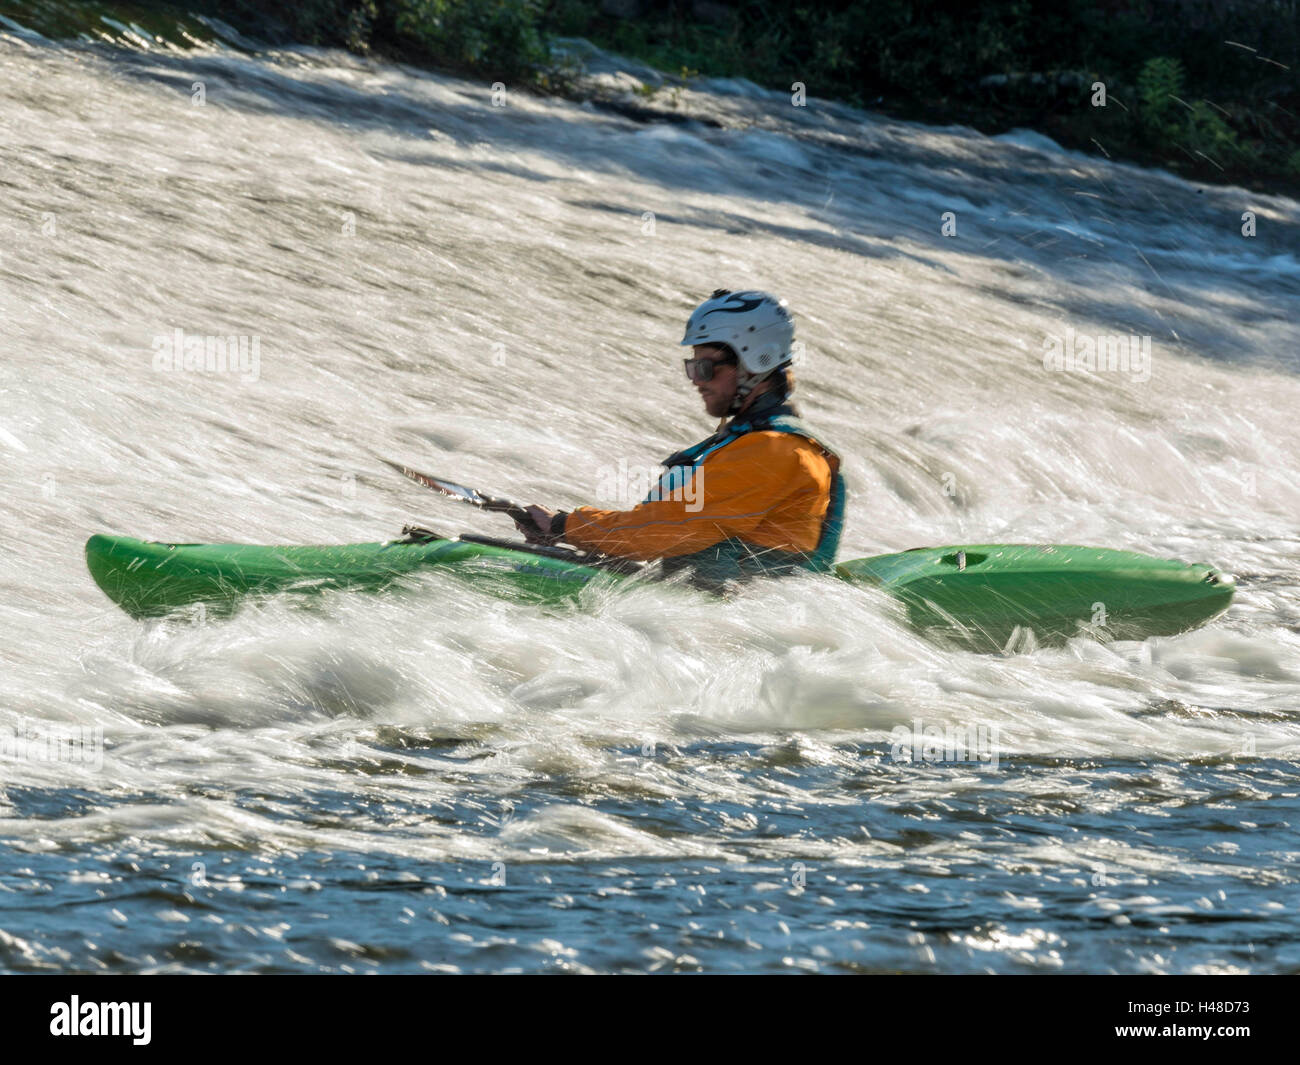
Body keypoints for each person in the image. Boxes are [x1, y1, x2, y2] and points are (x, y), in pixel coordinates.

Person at [514, 290, 845, 584]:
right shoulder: (758, 443)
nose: (695, 380)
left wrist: (565, 525)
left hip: (729, 621)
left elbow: (670, 530)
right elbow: (671, 527)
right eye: (692, 367)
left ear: (753, 365)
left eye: (705, 368)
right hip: (722, 606)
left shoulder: (775, 451)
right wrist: (572, 529)